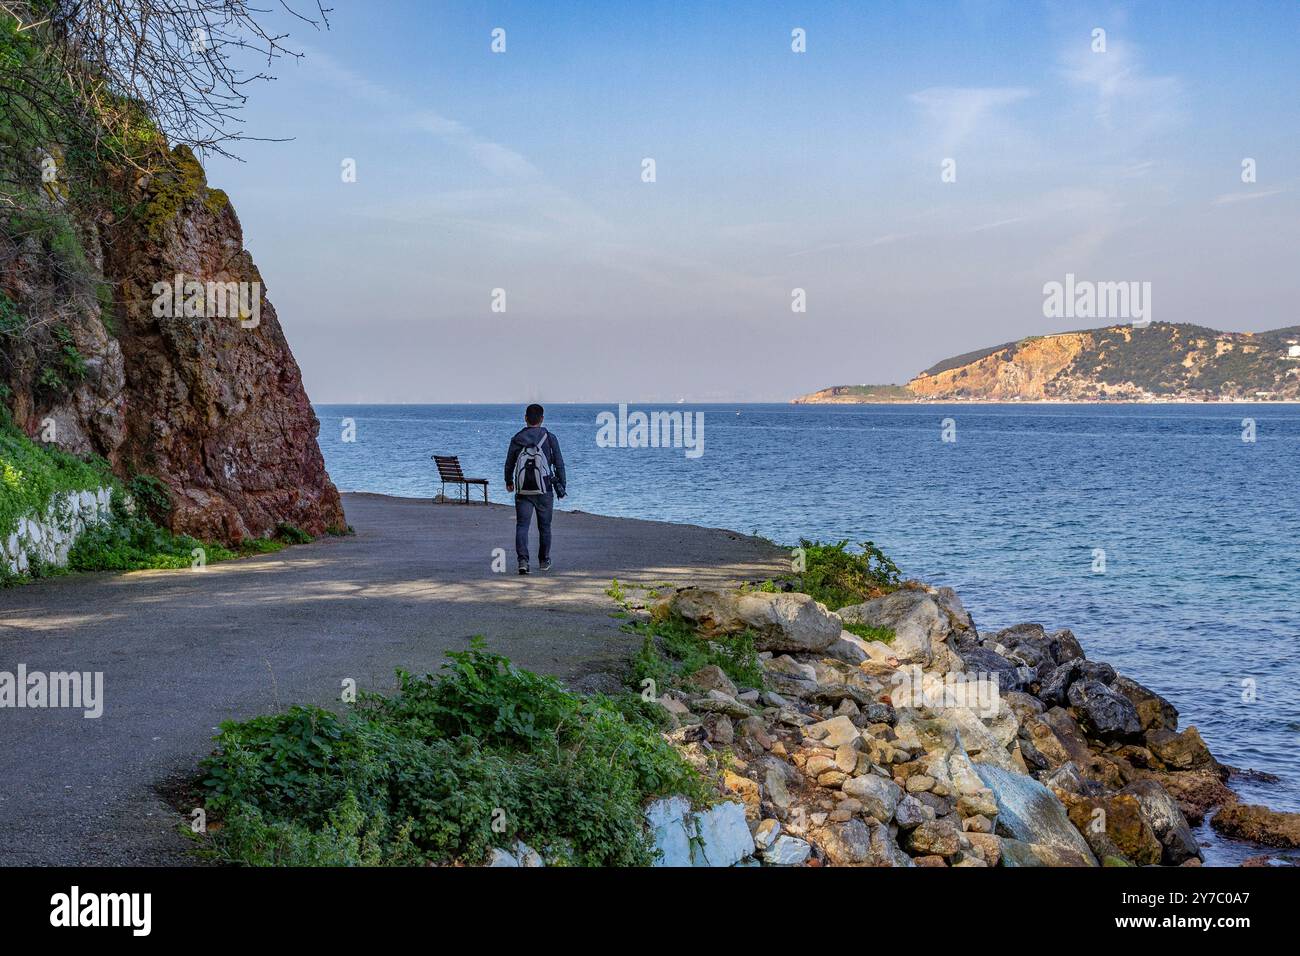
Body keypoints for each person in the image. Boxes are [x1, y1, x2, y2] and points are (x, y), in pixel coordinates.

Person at [504, 403, 566, 574]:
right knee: (545, 526)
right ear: (542, 419)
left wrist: (508, 481)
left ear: (525, 418)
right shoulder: (550, 437)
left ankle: (523, 561)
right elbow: (559, 464)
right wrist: (562, 485)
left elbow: (509, 463)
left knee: (522, 525)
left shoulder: (517, 438)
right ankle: (544, 560)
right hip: (545, 489)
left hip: (523, 490)